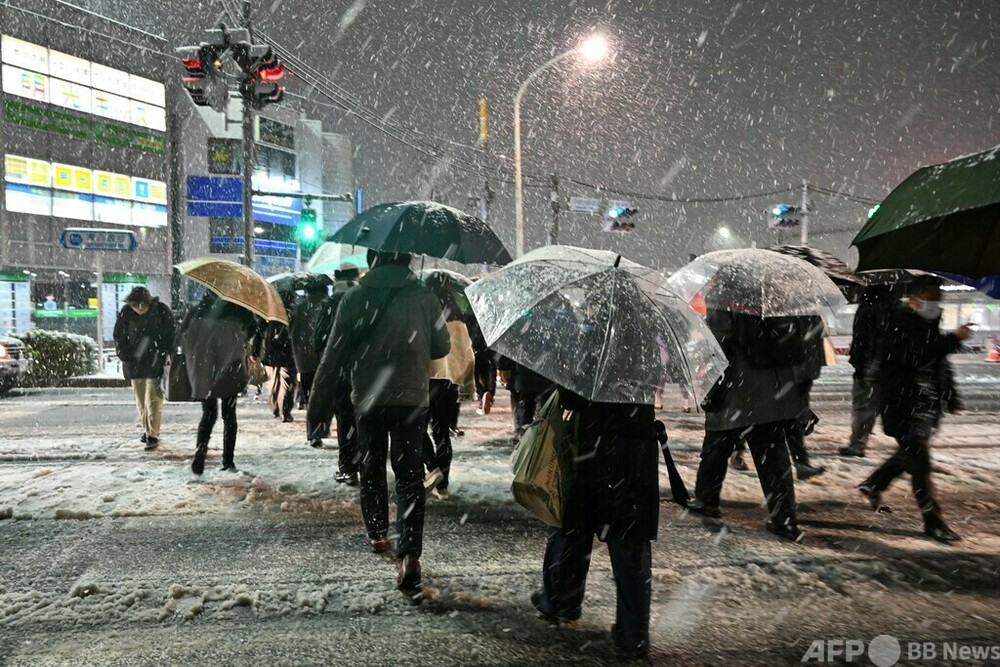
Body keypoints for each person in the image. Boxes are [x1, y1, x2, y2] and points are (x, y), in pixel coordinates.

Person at [307, 250, 449, 599]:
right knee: (410, 474)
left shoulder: (355, 297)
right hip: (411, 398)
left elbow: (334, 353)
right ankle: (410, 555)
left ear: (374, 260)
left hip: (368, 397)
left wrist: (317, 407)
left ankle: (377, 531)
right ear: (406, 261)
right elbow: (441, 346)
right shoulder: (425, 297)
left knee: (371, 464)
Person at [531, 387, 659, 661]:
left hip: (592, 444)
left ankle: (560, 600)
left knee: (573, 524)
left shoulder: (589, 345)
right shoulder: (643, 347)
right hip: (636, 449)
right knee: (630, 540)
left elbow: (571, 398)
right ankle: (634, 633)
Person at [858, 276, 971, 543]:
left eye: (939, 297)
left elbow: (937, 363)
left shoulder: (926, 322)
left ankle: (873, 484)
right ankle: (933, 521)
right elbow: (913, 357)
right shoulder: (897, 321)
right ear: (915, 297)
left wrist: (950, 394)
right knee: (921, 464)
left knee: (910, 453)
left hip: (925, 402)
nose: (937, 302)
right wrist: (952, 339)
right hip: (903, 403)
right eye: (932, 297)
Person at [687, 308, 811, 542]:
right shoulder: (775, 297)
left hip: (737, 385)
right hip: (773, 387)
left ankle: (706, 499)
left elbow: (717, 341)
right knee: (773, 454)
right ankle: (785, 519)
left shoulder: (726, 293)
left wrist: (707, 372)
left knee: (717, 441)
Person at [178, 292, 260, 475]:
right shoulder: (239, 309)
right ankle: (228, 460)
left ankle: (200, 452)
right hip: (230, 366)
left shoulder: (197, 310)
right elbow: (253, 328)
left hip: (203, 367)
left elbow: (183, 334)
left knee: (208, 413)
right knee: (229, 415)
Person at [306, 268, 361, 489]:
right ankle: (362, 463)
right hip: (363, 369)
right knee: (362, 419)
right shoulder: (360, 300)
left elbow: (319, 340)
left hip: (339, 371)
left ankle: (348, 468)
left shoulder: (330, 304)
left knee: (344, 418)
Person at [422, 275, 475, 500]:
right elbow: (468, 357)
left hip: (424, 380)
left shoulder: (423, 316)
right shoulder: (459, 321)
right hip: (448, 383)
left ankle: (431, 467)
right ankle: (443, 483)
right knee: (442, 433)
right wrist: (467, 384)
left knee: (415, 428)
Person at [112, 286, 175, 450]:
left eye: (142, 304)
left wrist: (164, 352)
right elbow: (119, 335)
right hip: (134, 362)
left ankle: (152, 435)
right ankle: (149, 430)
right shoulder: (126, 313)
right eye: (135, 304)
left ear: (149, 302)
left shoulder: (161, 311)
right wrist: (124, 354)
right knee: (141, 401)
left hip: (155, 361)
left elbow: (172, 334)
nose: (139, 308)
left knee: (153, 399)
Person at [840, 284, 893, 457]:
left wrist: (859, 363)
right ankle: (862, 441)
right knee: (874, 407)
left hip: (868, 368)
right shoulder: (892, 310)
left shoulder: (867, 310)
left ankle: (858, 443)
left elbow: (862, 342)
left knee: (863, 408)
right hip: (886, 367)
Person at [262, 294, 298, 423]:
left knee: (273, 381)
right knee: (288, 382)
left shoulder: (269, 311)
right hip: (288, 352)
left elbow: (260, 330)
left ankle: (275, 407)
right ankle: (286, 411)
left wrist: (256, 351)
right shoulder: (294, 312)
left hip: (271, 352)